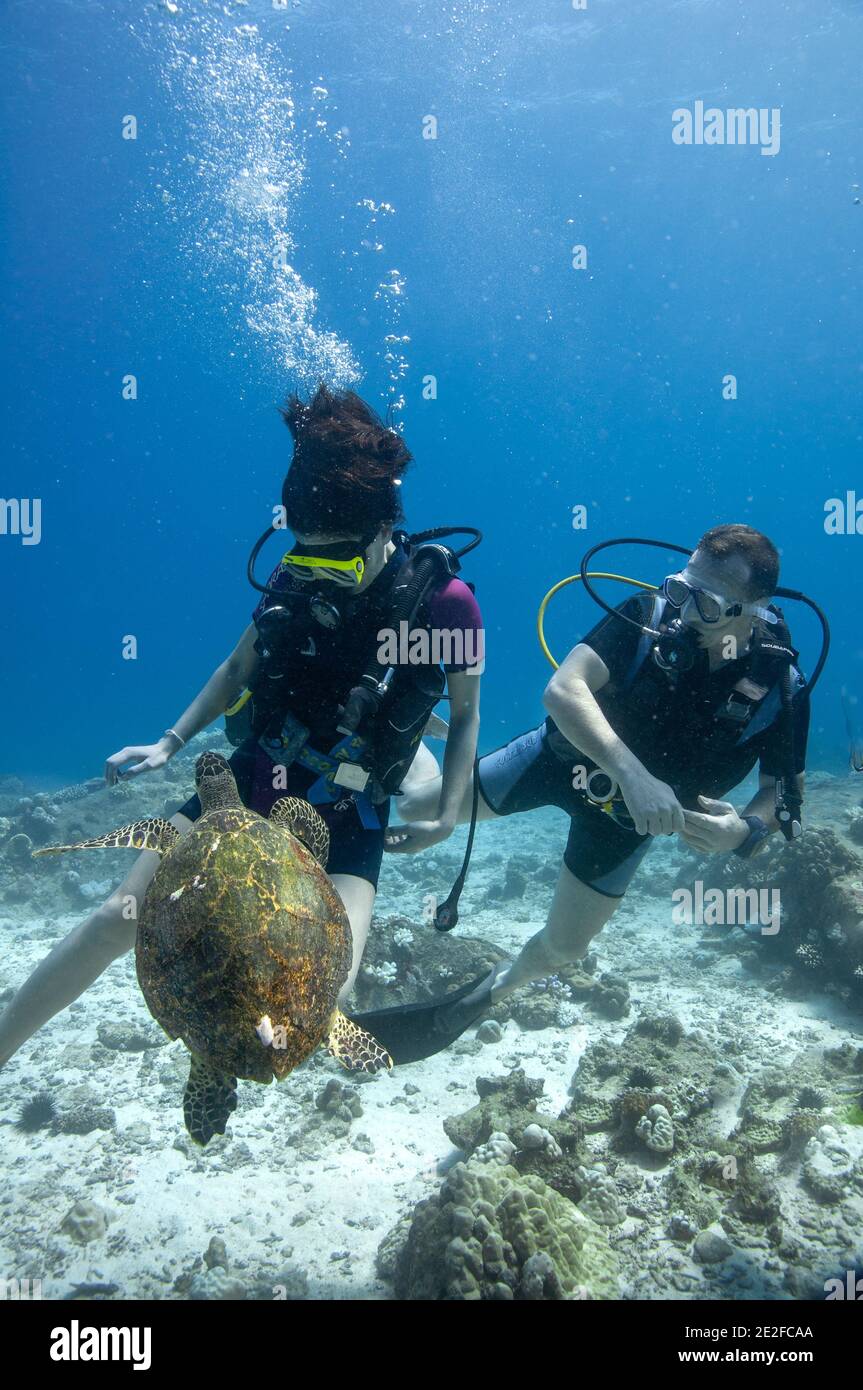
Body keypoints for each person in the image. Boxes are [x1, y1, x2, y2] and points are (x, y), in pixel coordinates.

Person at [0, 386, 483, 1069]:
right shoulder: (294, 574)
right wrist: (170, 740)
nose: (317, 579)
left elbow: (467, 714)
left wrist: (447, 815)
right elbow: (236, 666)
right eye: (303, 557)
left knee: (328, 987)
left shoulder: (448, 606)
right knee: (115, 921)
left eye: (336, 563)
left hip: (351, 810)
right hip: (250, 782)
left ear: (383, 533)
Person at [366, 523, 809, 1060]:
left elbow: (780, 792)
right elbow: (563, 688)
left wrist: (744, 830)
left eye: (708, 605)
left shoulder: (781, 686)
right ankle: (402, 727)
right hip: (553, 763)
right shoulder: (645, 618)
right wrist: (635, 775)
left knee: (564, 948)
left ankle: (486, 994)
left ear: (755, 609)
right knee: (413, 805)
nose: (686, 612)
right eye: (679, 589)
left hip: (621, 825)